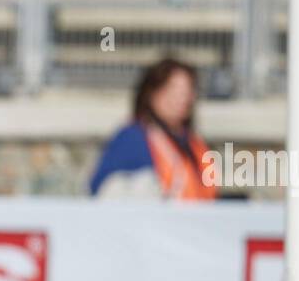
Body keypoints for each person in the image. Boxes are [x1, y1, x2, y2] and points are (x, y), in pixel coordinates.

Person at [89, 58, 216, 200]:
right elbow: (104, 190)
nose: (182, 98)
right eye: (173, 89)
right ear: (152, 93)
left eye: (187, 90)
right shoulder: (133, 139)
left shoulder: (193, 144)